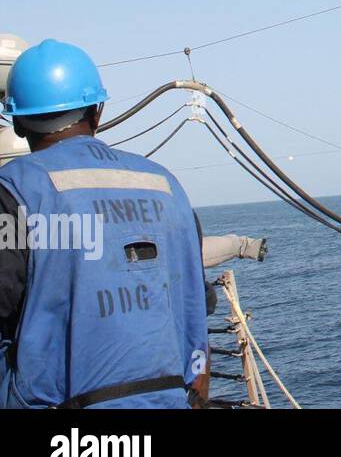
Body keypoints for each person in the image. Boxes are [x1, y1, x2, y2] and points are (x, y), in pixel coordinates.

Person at [0, 40, 209, 408]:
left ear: (17, 122)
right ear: (96, 112)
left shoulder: (13, 192)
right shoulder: (166, 185)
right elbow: (194, 304)